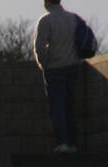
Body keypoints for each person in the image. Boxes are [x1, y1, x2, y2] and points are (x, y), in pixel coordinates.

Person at [33, 0, 81, 153]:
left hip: (54, 68)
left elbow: (40, 47)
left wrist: (44, 63)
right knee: (70, 104)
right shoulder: (73, 18)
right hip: (72, 66)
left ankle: (62, 142)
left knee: (57, 106)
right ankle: (73, 142)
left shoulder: (46, 20)